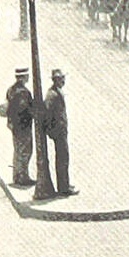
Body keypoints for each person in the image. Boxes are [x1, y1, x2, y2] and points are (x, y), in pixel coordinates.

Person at [43, 68, 75, 196]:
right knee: (62, 158)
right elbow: (47, 112)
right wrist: (51, 130)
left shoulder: (56, 92)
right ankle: (63, 187)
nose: (63, 81)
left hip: (61, 130)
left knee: (63, 158)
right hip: (59, 132)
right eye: (62, 79)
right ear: (57, 80)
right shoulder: (52, 95)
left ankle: (64, 184)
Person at [1, 67, 35, 187]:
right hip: (23, 126)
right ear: (23, 77)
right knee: (25, 151)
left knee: (17, 150)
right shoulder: (23, 92)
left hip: (14, 125)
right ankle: (22, 177)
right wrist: (33, 111)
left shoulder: (11, 89)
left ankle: (17, 176)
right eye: (27, 76)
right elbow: (23, 109)